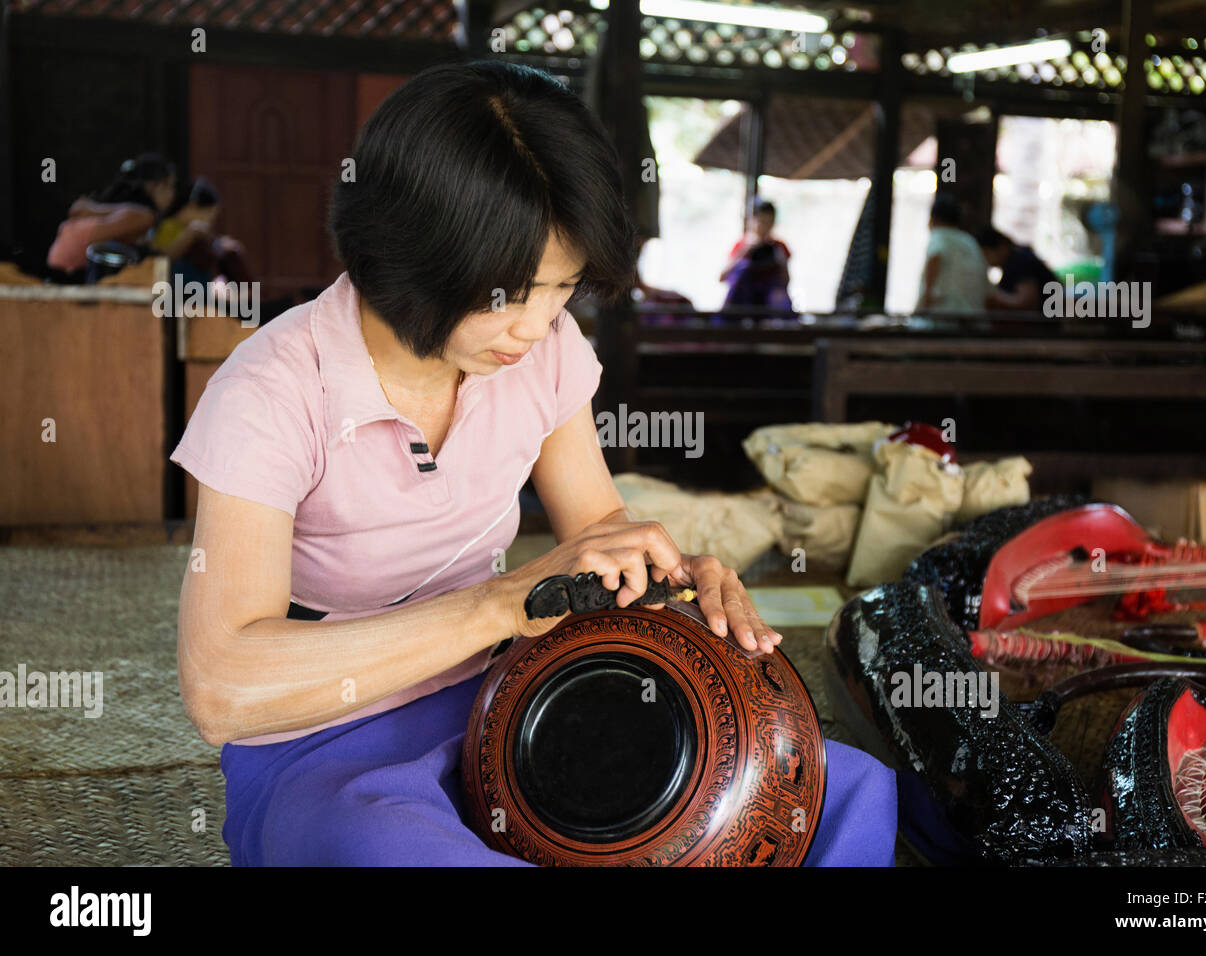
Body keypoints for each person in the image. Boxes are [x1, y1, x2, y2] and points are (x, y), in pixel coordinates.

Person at [170, 60, 896, 867]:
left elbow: (599, 526)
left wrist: (679, 580)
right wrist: (495, 607)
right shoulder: (271, 390)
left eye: (563, 289)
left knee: (832, 787)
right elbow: (222, 687)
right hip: (324, 736)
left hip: (515, 691)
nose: (536, 325)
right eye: (510, 293)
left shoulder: (542, 350)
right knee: (381, 844)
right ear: (409, 249)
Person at [46, 152, 177, 278]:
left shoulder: (120, 214)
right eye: (170, 186)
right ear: (154, 186)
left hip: (63, 270)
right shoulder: (143, 217)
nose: (173, 194)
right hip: (67, 275)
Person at [152, 176, 254, 286]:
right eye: (208, 215)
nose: (209, 222)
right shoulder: (169, 227)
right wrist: (190, 233)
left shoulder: (193, 230)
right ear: (192, 207)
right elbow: (162, 257)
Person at [719, 200, 793, 313]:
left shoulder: (779, 247)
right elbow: (722, 277)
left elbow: (786, 281)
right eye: (762, 221)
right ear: (752, 221)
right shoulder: (742, 246)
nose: (765, 227)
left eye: (769, 222)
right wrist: (746, 251)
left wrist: (780, 260)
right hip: (743, 303)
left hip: (769, 305)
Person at [917, 193, 986, 313]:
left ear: (933, 218)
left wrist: (925, 301)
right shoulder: (969, 242)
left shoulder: (939, 236)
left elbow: (935, 257)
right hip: (973, 319)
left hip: (944, 319)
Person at [976, 226, 1059, 312]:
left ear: (1001, 247)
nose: (984, 259)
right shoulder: (1014, 261)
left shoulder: (1019, 261)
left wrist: (993, 295)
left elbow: (1027, 301)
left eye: (985, 253)